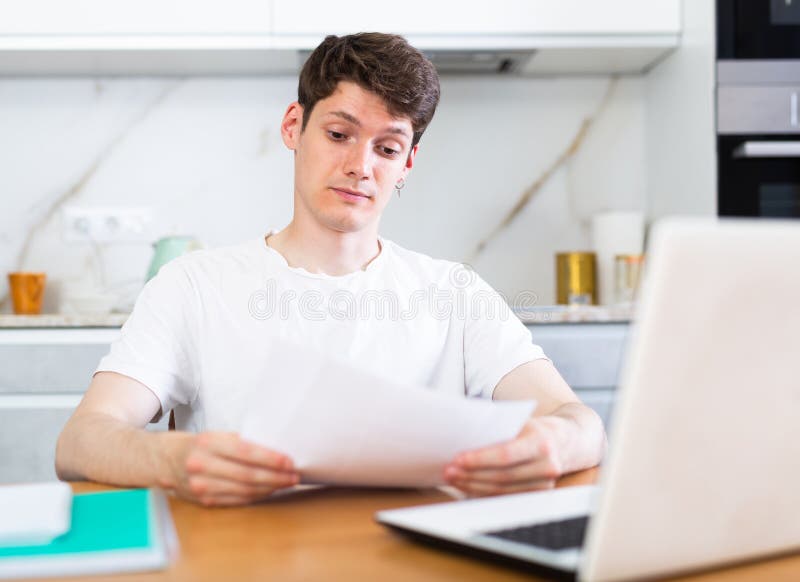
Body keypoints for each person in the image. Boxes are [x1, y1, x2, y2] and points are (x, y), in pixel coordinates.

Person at [55, 33, 606, 507]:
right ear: (294, 126)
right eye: (339, 134)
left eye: (387, 148)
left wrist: (552, 443)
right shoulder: (193, 285)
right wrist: (172, 460)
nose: (359, 167)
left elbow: (578, 421)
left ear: (408, 162)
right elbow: (80, 443)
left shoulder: (453, 293)